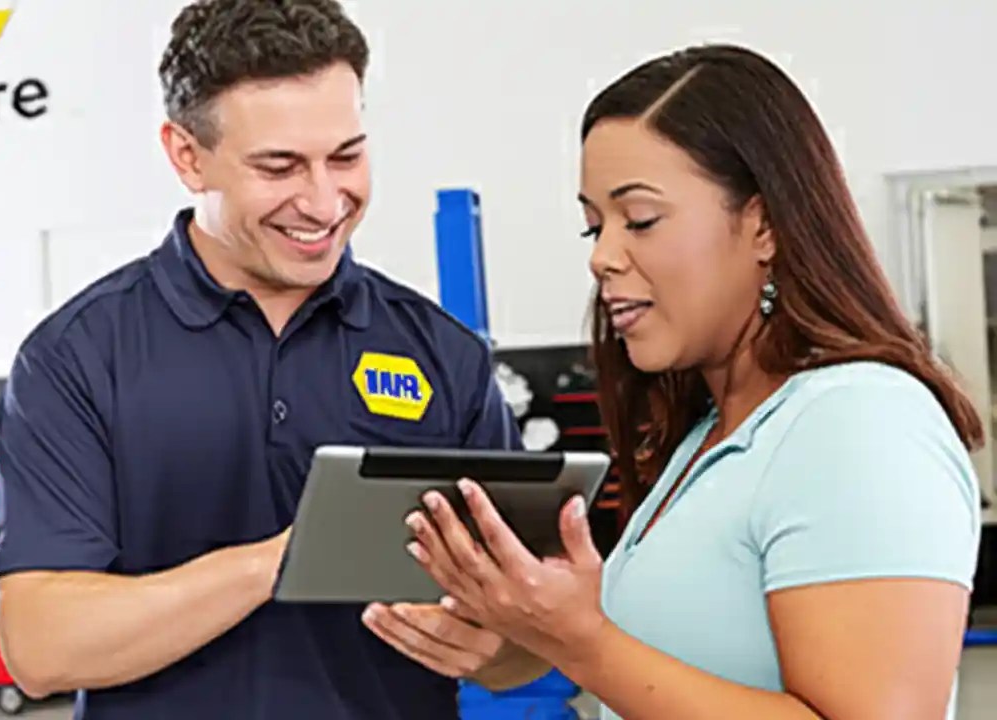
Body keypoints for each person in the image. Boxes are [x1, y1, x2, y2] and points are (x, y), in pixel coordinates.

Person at [0, 1, 548, 718]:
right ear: (187, 156)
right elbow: (41, 648)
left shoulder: (443, 354)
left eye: (345, 156)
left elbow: (528, 644)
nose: (323, 200)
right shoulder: (77, 358)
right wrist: (284, 559)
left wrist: (494, 650)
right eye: (279, 166)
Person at [393, 44, 984, 719]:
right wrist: (512, 634)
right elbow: (657, 669)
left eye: (640, 220)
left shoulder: (862, 421)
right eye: (594, 227)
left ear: (762, 224)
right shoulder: (711, 438)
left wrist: (585, 646)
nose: (604, 257)